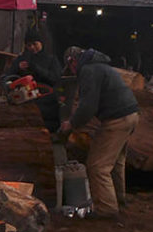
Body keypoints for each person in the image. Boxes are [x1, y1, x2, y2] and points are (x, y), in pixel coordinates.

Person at [59, 47, 139, 222]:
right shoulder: (99, 66)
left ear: (73, 61)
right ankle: (118, 199)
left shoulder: (88, 70)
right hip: (131, 115)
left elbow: (88, 106)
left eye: (70, 67)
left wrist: (71, 124)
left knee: (97, 166)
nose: (73, 71)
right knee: (116, 161)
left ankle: (106, 210)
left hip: (117, 119)